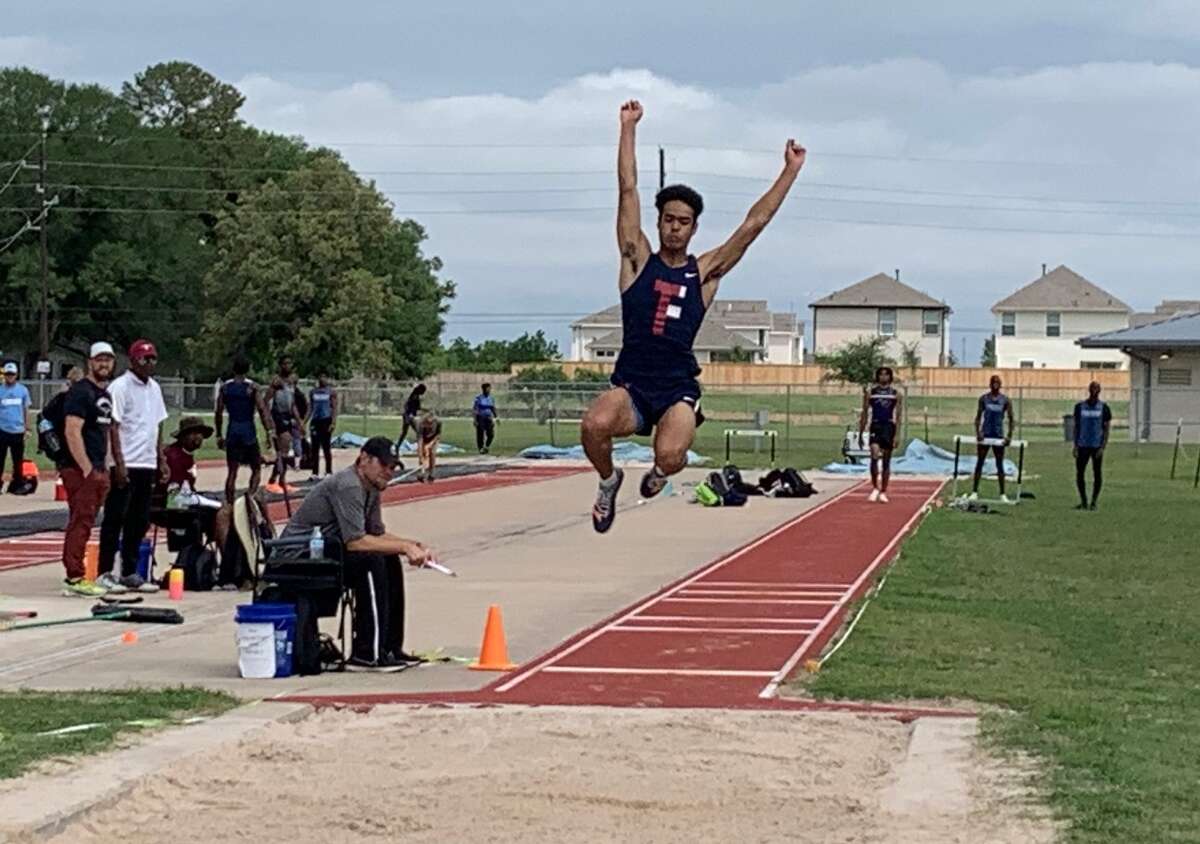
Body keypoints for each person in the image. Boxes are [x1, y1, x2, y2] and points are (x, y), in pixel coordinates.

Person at [580, 100, 806, 532]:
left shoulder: (702, 273)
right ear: (660, 222)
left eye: (684, 221)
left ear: (694, 227)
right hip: (632, 385)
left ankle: (660, 475)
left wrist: (790, 172)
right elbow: (627, 188)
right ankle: (608, 482)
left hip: (677, 389)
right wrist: (627, 127)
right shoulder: (636, 261)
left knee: (670, 456)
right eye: (668, 220)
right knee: (593, 424)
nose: (675, 228)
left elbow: (752, 225)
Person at [278, 436, 434, 669]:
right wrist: (404, 547)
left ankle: (389, 647)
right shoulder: (349, 485)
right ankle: (367, 652)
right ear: (364, 459)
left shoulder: (371, 488)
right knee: (371, 562)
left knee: (389, 558)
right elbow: (355, 542)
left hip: (328, 551)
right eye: (383, 465)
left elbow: (376, 534)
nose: (388, 472)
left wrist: (413, 545)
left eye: (392, 467)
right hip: (299, 556)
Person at [98, 340, 168, 593]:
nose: (149, 364)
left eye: (152, 359)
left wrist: (161, 459)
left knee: (139, 520)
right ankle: (105, 572)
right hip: (126, 461)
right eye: (143, 359)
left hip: (146, 462)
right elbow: (113, 426)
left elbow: (157, 425)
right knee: (115, 517)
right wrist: (118, 462)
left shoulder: (155, 389)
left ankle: (129, 571)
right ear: (132, 361)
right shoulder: (120, 387)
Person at [59, 343, 116, 597]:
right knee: (80, 521)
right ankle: (74, 577)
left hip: (98, 468)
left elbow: (103, 433)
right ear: (90, 362)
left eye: (108, 360)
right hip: (80, 469)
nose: (103, 364)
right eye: (99, 360)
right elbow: (72, 431)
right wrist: (86, 469)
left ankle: (78, 573)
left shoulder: (105, 395)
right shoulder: (81, 392)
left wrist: (105, 466)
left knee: (87, 520)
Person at [214, 355, 275, 504]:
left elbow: (219, 412)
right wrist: (268, 432)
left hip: (233, 429)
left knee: (232, 471)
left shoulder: (226, 388)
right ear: (248, 369)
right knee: (256, 468)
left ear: (233, 369)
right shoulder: (252, 387)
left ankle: (229, 502)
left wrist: (219, 434)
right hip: (248, 429)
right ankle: (251, 497)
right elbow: (261, 409)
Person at [858, 367, 901, 504]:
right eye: (881, 375)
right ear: (877, 377)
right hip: (876, 425)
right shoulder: (871, 393)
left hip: (888, 426)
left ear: (890, 377)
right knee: (874, 455)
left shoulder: (895, 393)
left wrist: (897, 435)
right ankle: (875, 487)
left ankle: (883, 490)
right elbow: (864, 413)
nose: (883, 377)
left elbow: (899, 416)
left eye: (886, 375)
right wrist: (861, 432)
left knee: (887, 461)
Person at [971, 375, 1015, 502]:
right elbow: (978, 417)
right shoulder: (984, 399)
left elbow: (1012, 419)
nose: (995, 384)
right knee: (980, 462)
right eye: (993, 382)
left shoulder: (1005, 400)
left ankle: (1002, 494)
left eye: (997, 383)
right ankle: (974, 492)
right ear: (990, 384)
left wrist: (1009, 436)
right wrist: (978, 432)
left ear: (1000, 385)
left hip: (998, 436)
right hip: (985, 435)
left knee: (999, 464)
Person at [1073, 381, 1112, 511]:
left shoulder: (1104, 408)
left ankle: (1094, 502)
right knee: (1080, 474)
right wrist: (1075, 445)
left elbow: (1106, 429)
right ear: (1089, 390)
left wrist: (1102, 447)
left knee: (1097, 474)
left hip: (1096, 446)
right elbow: (1076, 427)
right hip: (1083, 445)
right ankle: (1083, 501)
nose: (1094, 391)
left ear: (1099, 391)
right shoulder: (1080, 407)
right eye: (1092, 388)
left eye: (1097, 389)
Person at [266, 356, 299, 489]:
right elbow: (265, 400)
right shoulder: (276, 382)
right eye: (284, 363)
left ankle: (275, 478)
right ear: (280, 365)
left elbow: (293, 404)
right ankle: (281, 479)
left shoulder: (292, 381)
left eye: (289, 363)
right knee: (284, 449)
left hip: (288, 416)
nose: (287, 366)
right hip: (277, 417)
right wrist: (268, 422)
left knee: (282, 452)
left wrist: (299, 421)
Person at [0, 361, 32, 494]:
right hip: (2, 429)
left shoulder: (23, 390)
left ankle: (17, 484)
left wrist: (27, 427)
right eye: (7, 374)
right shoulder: (0, 390)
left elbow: (26, 410)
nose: (10, 377)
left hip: (18, 430)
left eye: (12, 374)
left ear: (16, 375)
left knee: (17, 460)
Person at [308, 373, 338, 480]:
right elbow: (310, 408)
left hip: (326, 421)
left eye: (325, 377)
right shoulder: (313, 392)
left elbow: (334, 408)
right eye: (320, 376)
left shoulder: (331, 392)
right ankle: (315, 472)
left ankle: (328, 471)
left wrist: (333, 422)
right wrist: (303, 422)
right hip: (315, 421)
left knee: (326, 447)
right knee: (314, 448)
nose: (322, 379)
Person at [396, 383, 426, 452]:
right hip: (409, 416)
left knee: (404, 432)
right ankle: (421, 448)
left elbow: (417, 408)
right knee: (419, 432)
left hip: (407, 416)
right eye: (423, 391)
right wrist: (409, 415)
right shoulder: (414, 397)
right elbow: (410, 407)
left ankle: (397, 446)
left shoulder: (415, 395)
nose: (424, 392)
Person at [473, 382, 498, 454]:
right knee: (480, 434)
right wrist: (475, 420)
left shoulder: (491, 398)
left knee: (491, 434)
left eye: (490, 388)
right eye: (488, 388)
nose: (489, 390)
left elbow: (493, 408)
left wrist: (496, 417)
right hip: (480, 418)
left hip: (489, 418)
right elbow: (475, 409)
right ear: (484, 389)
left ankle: (486, 446)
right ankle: (480, 448)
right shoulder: (478, 398)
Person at [417, 411, 441, 484]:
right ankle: (422, 472)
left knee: (432, 453)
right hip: (424, 439)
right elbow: (420, 440)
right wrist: (420, 454)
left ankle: (431, 473)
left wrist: (430, 444)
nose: (429, 426)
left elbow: (438, 435)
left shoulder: (438, 422)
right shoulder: (420, 424)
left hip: (434, 439)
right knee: (422, 453)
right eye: (427, 424)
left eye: (431, 424)